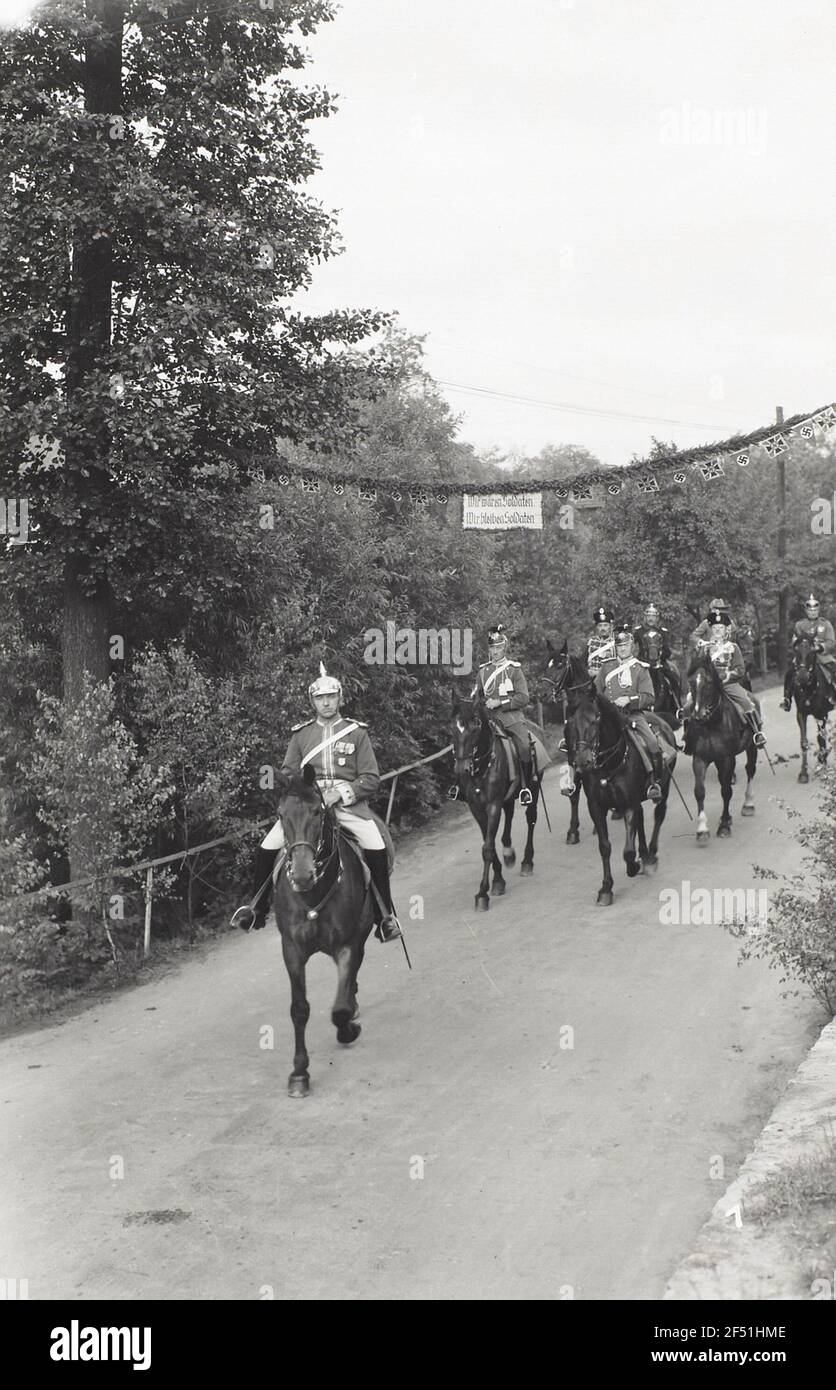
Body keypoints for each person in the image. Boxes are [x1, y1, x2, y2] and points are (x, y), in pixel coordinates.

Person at [231, 664, 402, 942]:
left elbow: (371, 778)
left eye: (331, 697)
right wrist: (298, 789)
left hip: (346, 807)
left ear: (339, 698)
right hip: (309, 808)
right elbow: (288, 773)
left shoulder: (356, 733)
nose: (326, 702)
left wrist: (341, 793)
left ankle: (385, 918)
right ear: (313, 702)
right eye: (320, 698)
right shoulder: (301, 735)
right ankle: (256, 909)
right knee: (266, 847)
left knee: (376, 844)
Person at [472, 623, 551, 805]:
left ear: (504, 647)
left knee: (524, 746)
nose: (496, 651)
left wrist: (500, 702)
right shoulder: (483, 672)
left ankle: (525, 787)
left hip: (511, 719)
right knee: (467, 743)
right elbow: (476, 696)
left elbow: (523, 698)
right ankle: (464, 786)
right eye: (493, 648)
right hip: (488, 719)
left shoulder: (514, 669)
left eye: (499, 647)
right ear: (489, 649)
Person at [595, 621, 667, 802]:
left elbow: (649, 697)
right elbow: (595, 693)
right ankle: (581, 783)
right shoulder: (606, 667)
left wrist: (629, 700)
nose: (622, 649)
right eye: (619, 645)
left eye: (626, 645)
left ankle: (654, 782)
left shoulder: (640, 669)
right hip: (608, 719)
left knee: (652, 743)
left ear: (632, 646)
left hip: (633, 716)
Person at [685, 609, 766, 746]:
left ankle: (756, 733)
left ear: (725, 630)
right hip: (707, 686)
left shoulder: (732, 647)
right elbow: (697, 668)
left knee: (746, 702)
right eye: (714, 628)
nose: (717, 631)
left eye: (720, 628)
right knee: (688, 704)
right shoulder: (704, 649)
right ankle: (689, 738)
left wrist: (727, 676)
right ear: (710, 630)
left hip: (728, 684)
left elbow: (740, 669)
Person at [781, 593, 836, 709]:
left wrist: (820, 647)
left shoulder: (825, 624)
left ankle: (832, 695)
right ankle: (787, 698)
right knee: (790, 673)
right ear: (806, 611)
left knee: (834, 669)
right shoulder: (800, 625)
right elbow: (794, 641)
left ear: (818, 610)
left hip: (822, 656)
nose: (813, 612)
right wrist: (799, 647)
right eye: (810, 610)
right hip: (804, 656)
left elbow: (831, 642)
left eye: (815, 610)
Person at [632, 602, 682, 708]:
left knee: (674, 679)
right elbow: (632, 648)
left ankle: (678, 707)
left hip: (659, 664)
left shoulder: (663, 632)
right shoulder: (638, 631)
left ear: (657, 618)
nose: (651, 618)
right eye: (649, 616)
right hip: (642, 664)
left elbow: (668, 651)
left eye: (653, 616)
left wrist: (660, 657)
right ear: (645, 617)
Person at [586, 605, 616, 675]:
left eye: (605, 625)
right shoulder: (591, 642)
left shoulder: (614, 644)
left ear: (610, 627)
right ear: (597, 627)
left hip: (606, 678)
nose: (602, 628)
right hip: (590, 677)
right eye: (600, 625)